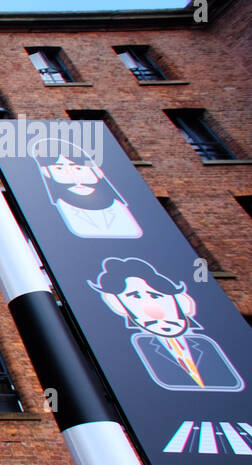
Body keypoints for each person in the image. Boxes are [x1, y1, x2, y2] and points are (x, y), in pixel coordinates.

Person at [89, 257, 242, 392]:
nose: (153, 310)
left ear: (181, 301)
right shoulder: (127, 351)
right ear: (118, 305)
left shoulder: (211, 346)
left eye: (156, 295)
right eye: (134, 297)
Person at [34, 152, 141, 239]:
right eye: (59, 168)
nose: (73, 177)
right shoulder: (58, 212)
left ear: (97, 172)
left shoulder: (121, 210)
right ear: (46, 173)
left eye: (78, 168)